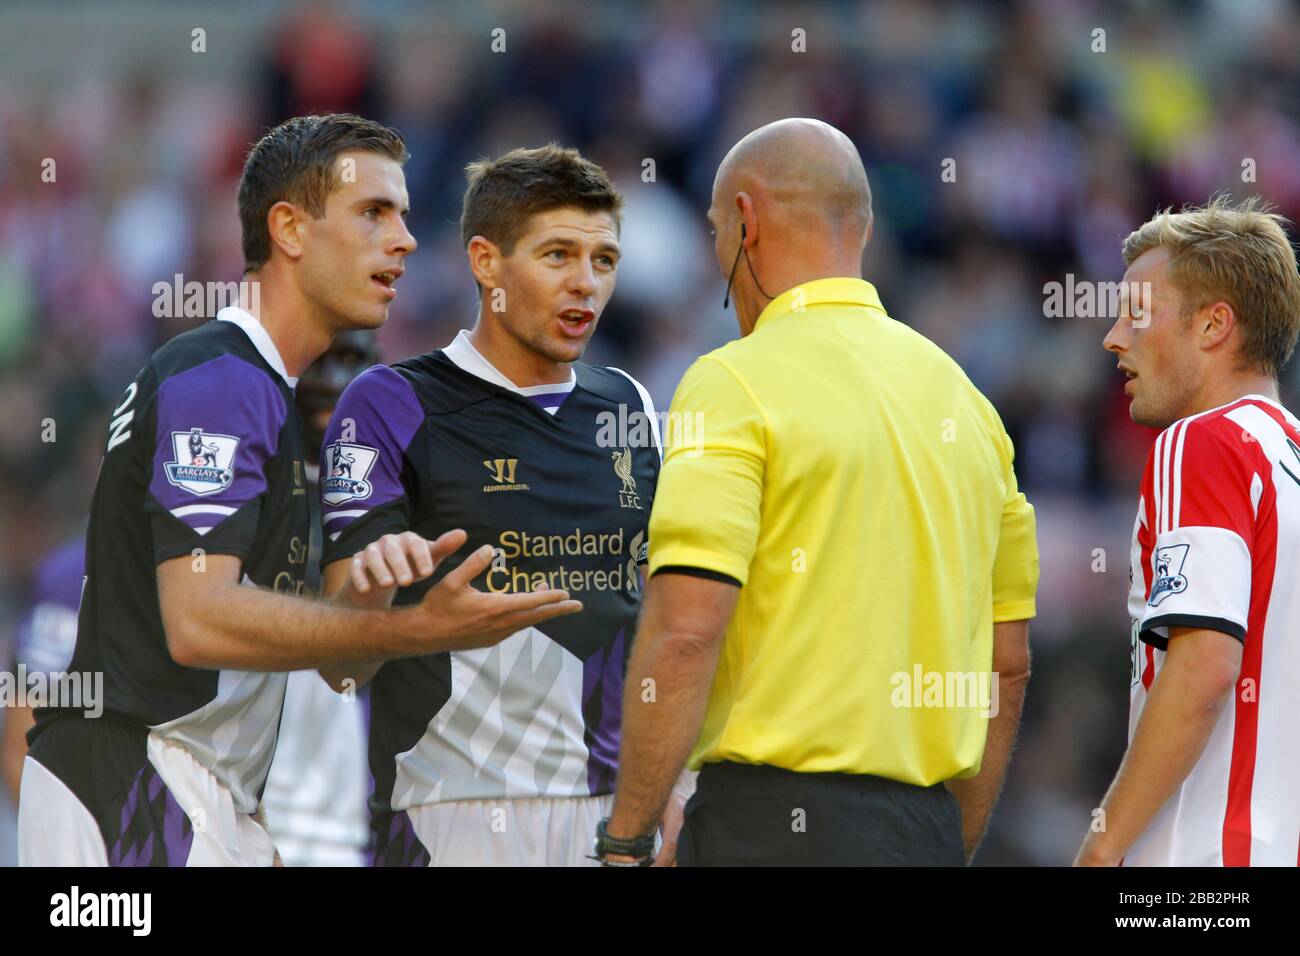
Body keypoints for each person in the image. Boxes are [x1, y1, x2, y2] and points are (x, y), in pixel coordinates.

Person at [18, 114, 580, 867]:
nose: (405, 240)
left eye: (405, 216)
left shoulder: (263, 397)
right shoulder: (222, 381)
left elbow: (336, 667)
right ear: (288, 228)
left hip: (193, 788)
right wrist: (419, 630)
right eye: (374, 213)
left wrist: (368, 600)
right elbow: (199, 619)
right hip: (133, 782)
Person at [598, 118, 1038, 867]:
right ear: (859, 228)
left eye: (714, 231)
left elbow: (687, 628)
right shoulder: (970, 404)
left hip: (766, 830)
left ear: (746, 219)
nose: (715, 259)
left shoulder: (731, 381)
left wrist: (627, 839)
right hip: (923, 832)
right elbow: (1008, 664)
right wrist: (944, 842)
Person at [316, 144, 665, 866]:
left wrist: (675, 789)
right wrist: (381, 599)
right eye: (558, 255)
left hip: (617, 818)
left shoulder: (626, 401)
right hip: (451, 812)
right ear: (485, 262)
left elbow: (666, 612)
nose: (585, 285)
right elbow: (339, 667)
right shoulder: (391, 402)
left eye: (604, 261)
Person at [1078, 196, 1300, 867]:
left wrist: (1101, 848)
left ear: (1213, 325)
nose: (1113, 337)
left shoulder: (1201, 443)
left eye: (1137, 314)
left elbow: (1203, 666)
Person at [261, 331, 380, 866]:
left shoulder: (404, 500)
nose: (332, 382)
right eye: (315, 362)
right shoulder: (236, 501)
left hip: (353, 830)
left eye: (351, 360)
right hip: (234, 815)